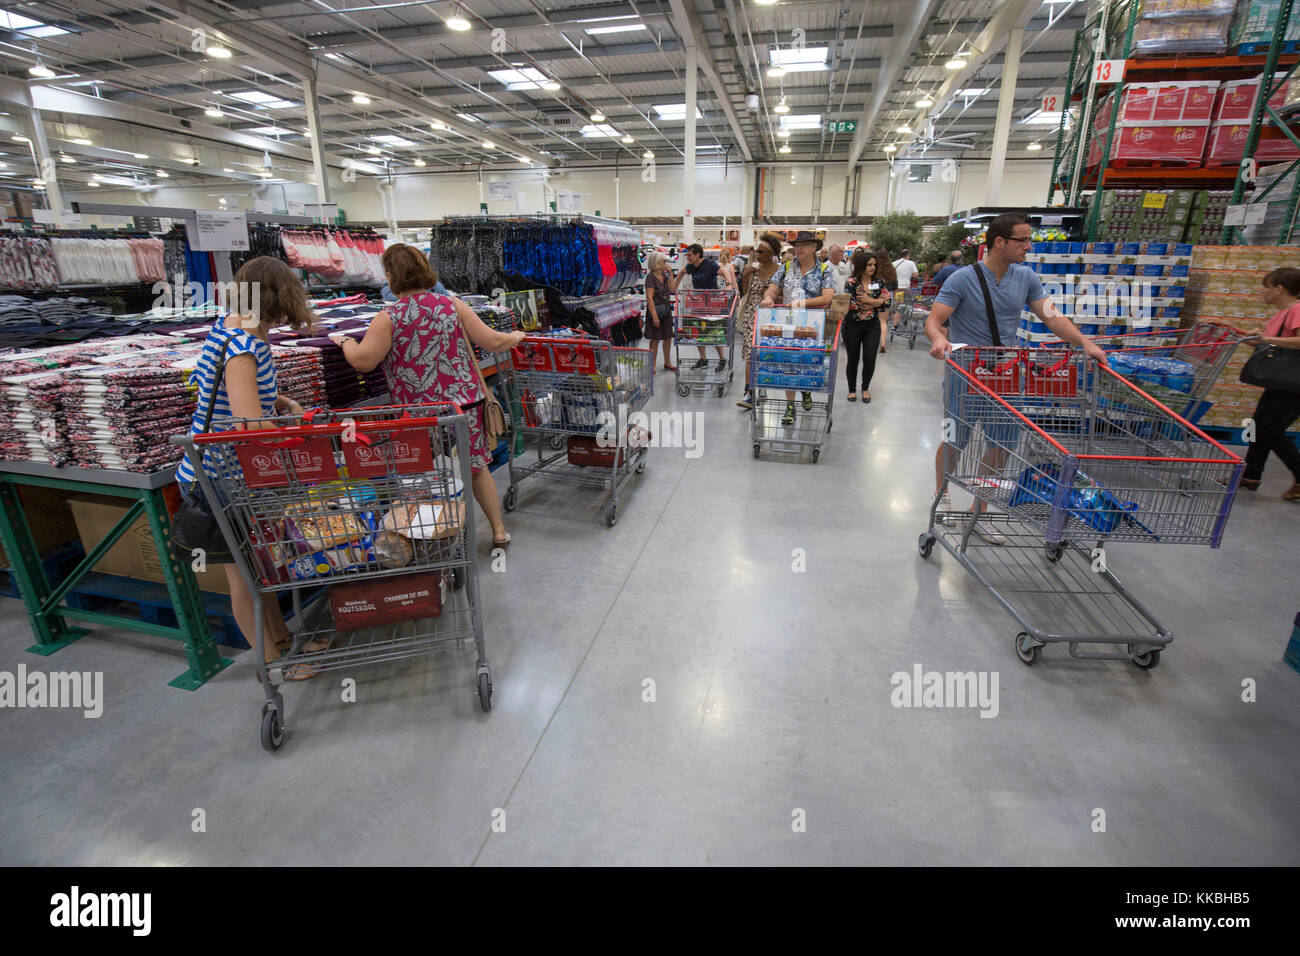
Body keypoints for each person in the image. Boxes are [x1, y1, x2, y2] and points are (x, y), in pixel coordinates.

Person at [924, 212, 1107, 544]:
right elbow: (935, 321)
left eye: (1028, 239)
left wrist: (1085, 343)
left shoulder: (1026, 278)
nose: (1028, 246)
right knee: (956, 437)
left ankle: (979, 511)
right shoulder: (963, 279)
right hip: (967, 369)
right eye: (1022, 240)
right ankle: (942, 496)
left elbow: (1051, 317)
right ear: (999, 242)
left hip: (1007, 372)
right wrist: (938, 339)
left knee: (1002, 444)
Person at [331, 243, 526, 550]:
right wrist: (514, 336)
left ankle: (429, 539)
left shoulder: (388, 316)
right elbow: (492, 341)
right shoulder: (451, 305)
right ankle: (499, 531)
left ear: (390, 276)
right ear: (425, 268)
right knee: (476, 468)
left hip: (418, 412)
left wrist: (344, 341)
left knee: (422, 473)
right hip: (463, 405)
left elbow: (364, 361)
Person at [175, 256, 315, 675]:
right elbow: (249, 423)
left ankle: (284, 642)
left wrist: (283, 402)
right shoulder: (244, 345)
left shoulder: (230, 327)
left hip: (231, 473)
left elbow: (242, 400)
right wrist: (297, 434)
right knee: (243, 577)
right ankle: (275, 666)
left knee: (260, 568)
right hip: (218, 477)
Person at [760, 230, 836, 425]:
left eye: (803, 244)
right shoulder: (786, 266)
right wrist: (769, 296)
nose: (798, 248)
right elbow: (773, 286)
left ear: (814, 248)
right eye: (796, 245)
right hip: (788, 323)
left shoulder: (825, 270)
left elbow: (827, 297)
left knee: (808, 363)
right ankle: (790, 406)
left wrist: (801, 303)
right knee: (789, 363)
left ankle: (806, 390)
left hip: (813, 326)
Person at [1241, 267, 1300, 499]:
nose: (1261, 292)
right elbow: (1274, 346)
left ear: (1279, 289)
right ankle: (1250, 475)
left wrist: (1266, 338)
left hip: (1295, 383)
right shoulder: (1282, 312)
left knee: (1272, 431)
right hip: (1282, 381)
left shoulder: (1297, 309)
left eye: (1265, 287)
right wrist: (1255, 340)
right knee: (1257, 426)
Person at [735, 231, 784, 410]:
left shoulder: (780, 272)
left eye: (762, 251)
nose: (757, 253)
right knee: (750, 354)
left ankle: (761, 386)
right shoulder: (753, 269)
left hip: (771, 318)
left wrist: (772, 298)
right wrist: (745, 276)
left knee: (765, 355)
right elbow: (745, 292)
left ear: (772, 254)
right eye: (756, 250)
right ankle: (749, 392)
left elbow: (783, 296)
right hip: (751, 316)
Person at [843, 250, 891, 404]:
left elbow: (888, 302)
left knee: (870, 358)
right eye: (869, 264)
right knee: (853, 359)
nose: (872, 267)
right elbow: (851, 305)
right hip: (852, 325)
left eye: (874, 265)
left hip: (872, 325)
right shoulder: (851, 282)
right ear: (861, 265)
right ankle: (851, 389)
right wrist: (877, 301)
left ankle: (865, 388)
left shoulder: (879, 281)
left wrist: (870, 300)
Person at [670, 243, 727, 372]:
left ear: (697, 254)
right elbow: (681, 272)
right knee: (699, 330)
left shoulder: (709, 264)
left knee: (713, 330)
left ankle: (722, 358)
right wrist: (674, 285)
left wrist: (728, 285)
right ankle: (703, 359)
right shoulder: (691, 267)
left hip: (712, 302)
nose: (687, 257)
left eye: (689, 255)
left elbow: (723, 271)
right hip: (699, 302)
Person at [643, 250, 676, 372]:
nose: (666, 263)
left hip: (666, 310)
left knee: (668, 337)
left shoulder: (664, 276)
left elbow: (673, 289)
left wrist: (671, 275)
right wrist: (655, 316)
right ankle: (652, 365)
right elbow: (649, 298)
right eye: (664, 261)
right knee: (655, 339)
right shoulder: (651, 277)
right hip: (655, 310)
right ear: (656, 263)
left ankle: (667, 362)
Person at [872, 248, 898, 353]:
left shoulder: (874, 268)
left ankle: (873, 342)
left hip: (876, 295)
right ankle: (882, 343)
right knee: (883, 321)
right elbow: (895, 286)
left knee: (874, 321)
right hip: (889, 295)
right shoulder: (891, 268)